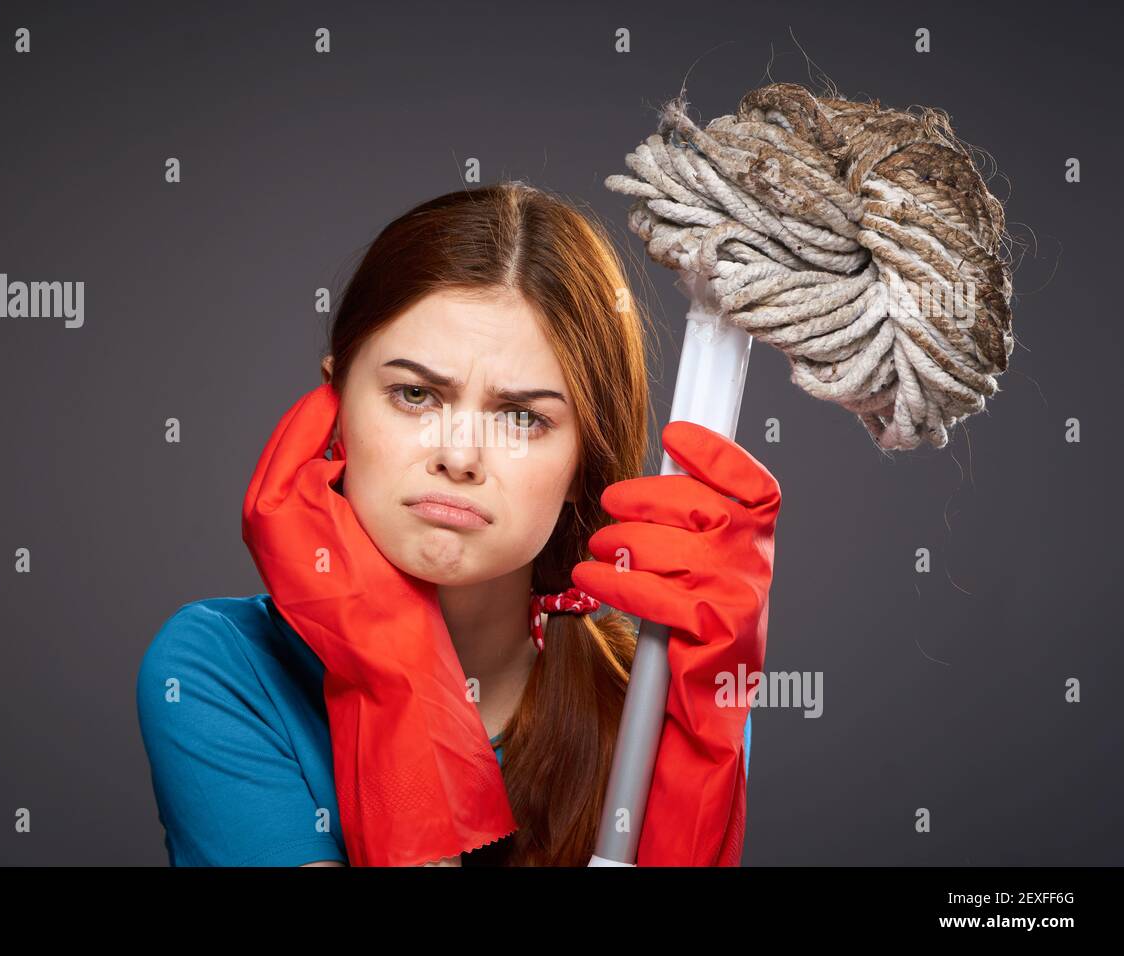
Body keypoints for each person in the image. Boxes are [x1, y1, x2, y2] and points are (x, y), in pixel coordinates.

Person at [136, 181, 775, 866]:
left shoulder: (656, 694)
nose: (459, 455)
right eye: (415, 394)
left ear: (581, 467)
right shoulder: (220, 668)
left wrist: (701, 760)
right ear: (333, 409)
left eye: (523, 416)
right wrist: (387, 657)